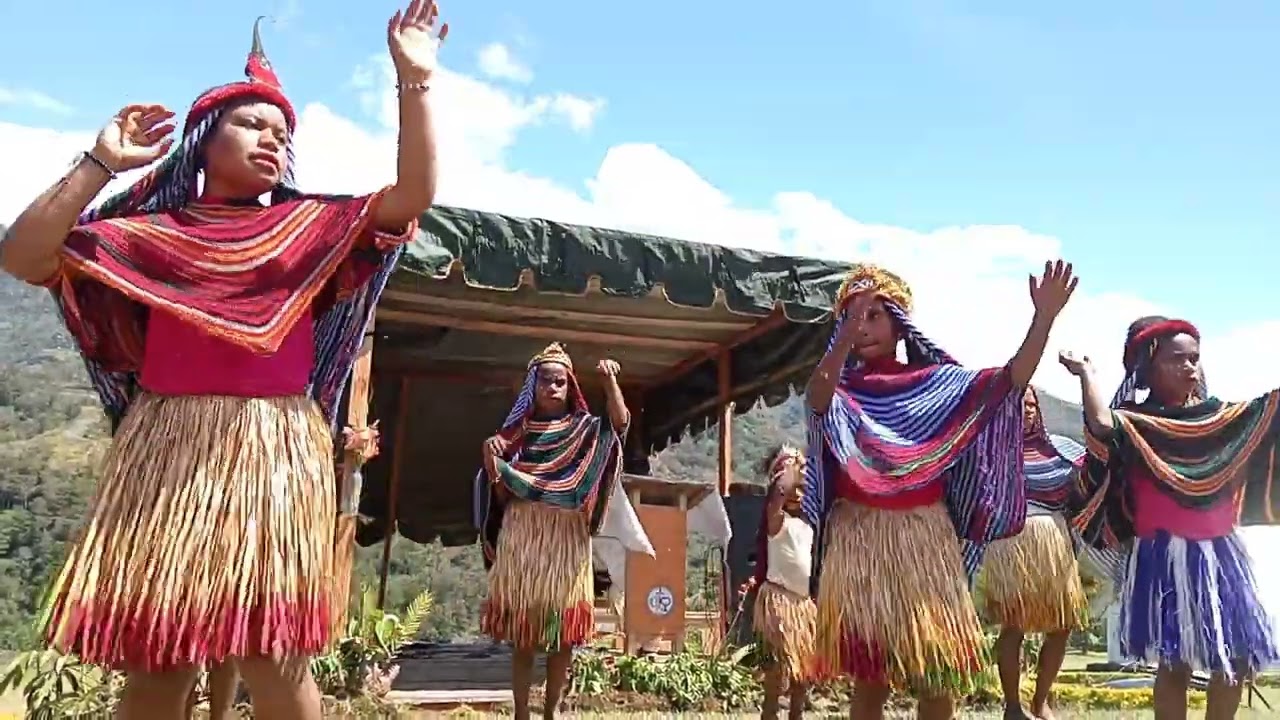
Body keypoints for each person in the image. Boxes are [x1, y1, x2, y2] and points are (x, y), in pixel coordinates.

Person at [0, 4, 447, 718]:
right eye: (251, 125)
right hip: (169, 450)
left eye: (282, 133)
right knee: (161, 657)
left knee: (272, 656)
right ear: (204, 141)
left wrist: (414, 83)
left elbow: (411, 198)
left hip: (272, 451)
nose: (272, 140)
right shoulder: (147, 235)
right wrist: (99, 165)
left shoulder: (308, 231)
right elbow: (24, 255)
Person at [803, 261, 1078, 720]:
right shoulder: (840, 388)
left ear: (900, 324)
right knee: (870, 679)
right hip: (860, 540)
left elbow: (1009, 380)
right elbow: (816, 400)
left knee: (937, 673)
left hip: (925, 540)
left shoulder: (937, 385)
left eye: (875, 316)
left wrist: (1043, 318)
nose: (863, 327)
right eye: (853, 317)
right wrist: (840, 342)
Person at [1061, 316, 1280, 720]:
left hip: (1221, 555)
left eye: (1195, 359)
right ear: (1147, 366)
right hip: (1163, 554)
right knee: (1173, 663)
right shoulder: (1136, 422)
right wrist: (1086, 374)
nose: (1190, 368)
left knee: (1235, 658)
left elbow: (1270, 413)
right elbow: (1102, 425)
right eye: (1178, 359)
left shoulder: (1220, 421)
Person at [476, 343, 631, 720]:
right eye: (545, 380)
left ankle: (553, 711)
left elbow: (619, 425)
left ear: (570, 385)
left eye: (561, 381)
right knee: (524, 633)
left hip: (566, 536)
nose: (554, 387)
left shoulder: (585, 429)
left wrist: (610, 381)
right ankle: (520, 714)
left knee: (563, 631)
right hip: (525, 530)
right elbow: (498, 490)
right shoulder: (515, 433)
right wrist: (489, 455)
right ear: (533, 385)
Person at [980, 387, 1088, 720]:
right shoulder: (992, 452)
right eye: (1019, 405)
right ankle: (1012, 706)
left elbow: (1093, 471)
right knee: (1014, 624)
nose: (1027, 411)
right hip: (1013, 543)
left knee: (1063, 625)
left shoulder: (1062, 450)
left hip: (1055, 543)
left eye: (1031, 405)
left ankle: (1041, 703)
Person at [743, 444, 819, 720]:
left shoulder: (808, 525)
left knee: (802, 672)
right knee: (777, 669)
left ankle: (796, 714)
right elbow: (781, 490)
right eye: (792, 489)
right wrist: (792, 465)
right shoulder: (776, 520)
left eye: (802, 490)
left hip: (804, 606)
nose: (797, 493)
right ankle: (770, 714)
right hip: (779, 601)